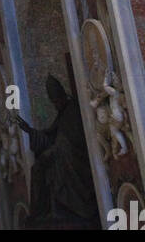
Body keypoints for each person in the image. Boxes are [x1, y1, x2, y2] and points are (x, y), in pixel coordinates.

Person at [15, 75, 98, 227]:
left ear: (61, 94)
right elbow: (51, 134)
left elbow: (74, 138)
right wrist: (30, 131)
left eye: (56, 99)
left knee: (45, 164)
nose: (55, 103)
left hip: (74, 157)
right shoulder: (63, 112)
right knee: (38, 168)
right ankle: (41, 212)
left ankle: (55, 209)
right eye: (53, 101)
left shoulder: (73, 108)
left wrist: (57, 150)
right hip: (61, 154)